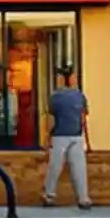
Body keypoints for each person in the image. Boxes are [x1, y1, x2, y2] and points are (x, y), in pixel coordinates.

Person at [41, 67, 93, 209]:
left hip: (63, 136)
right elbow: (83, 119)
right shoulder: (78, 96)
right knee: (76, 167)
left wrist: (47, 137)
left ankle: (50, 195)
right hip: (71, 135)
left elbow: (51, 119)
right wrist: (88, 141)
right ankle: (82, 198)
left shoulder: (57, 97)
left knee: (57, 166)